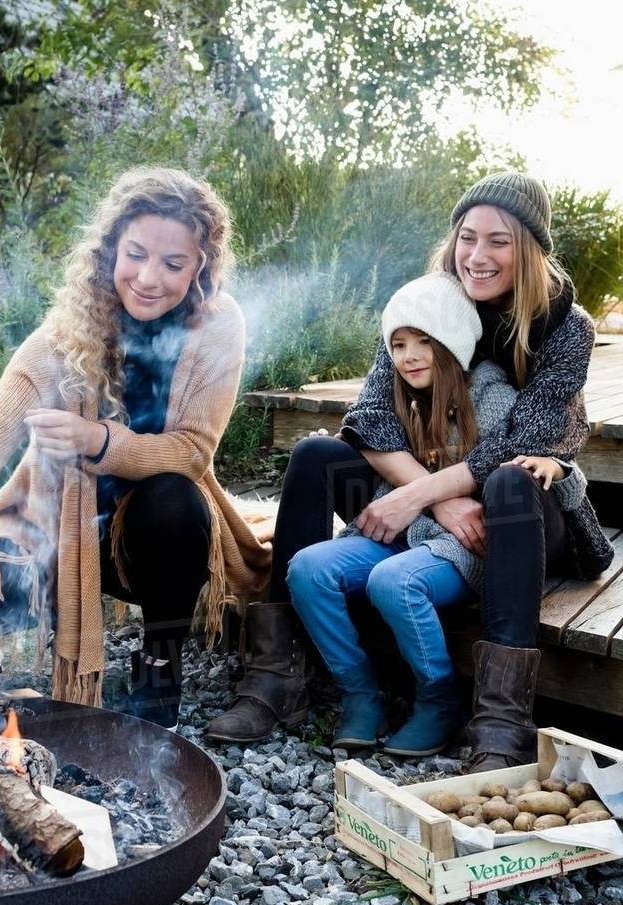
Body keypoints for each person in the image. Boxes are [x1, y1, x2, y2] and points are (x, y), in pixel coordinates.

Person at [207, 172, 612, 767]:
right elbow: (369, 416)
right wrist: (432, 501)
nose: (477, 256)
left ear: (530, 248)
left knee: (508, 481)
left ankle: (500, 718)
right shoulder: (428, 306)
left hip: (529, 510)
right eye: (467, 237)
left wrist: (413, 497)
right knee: (316, 456)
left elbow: (525, 442)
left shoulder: (565, 328)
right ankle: (276, 674)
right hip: (440, 496)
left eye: (498, 241)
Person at [0, 167, 271, 726]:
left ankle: (159, 662)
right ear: (110, 251)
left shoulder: (218, 326)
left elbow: (192, 451)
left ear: (200, 266)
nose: (149, 278)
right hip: (59, 525)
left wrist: (97, 440)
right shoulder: (69, 328)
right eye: (136, 254)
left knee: (173, 500)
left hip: (153, 534)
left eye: (173, 264)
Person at [285, 273, 589, 757]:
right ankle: (359, 693)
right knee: (308, 569)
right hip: (412, 531)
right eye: (398, 344)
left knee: (393, 582)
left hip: (466, 545)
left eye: (424, 341)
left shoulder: (490, 396)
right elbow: (363, 436)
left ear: (452, 341)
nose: (408, 356)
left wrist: (553, 465)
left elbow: (530, 461)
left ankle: (439, 699)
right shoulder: (402, 400)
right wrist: (427, 499)